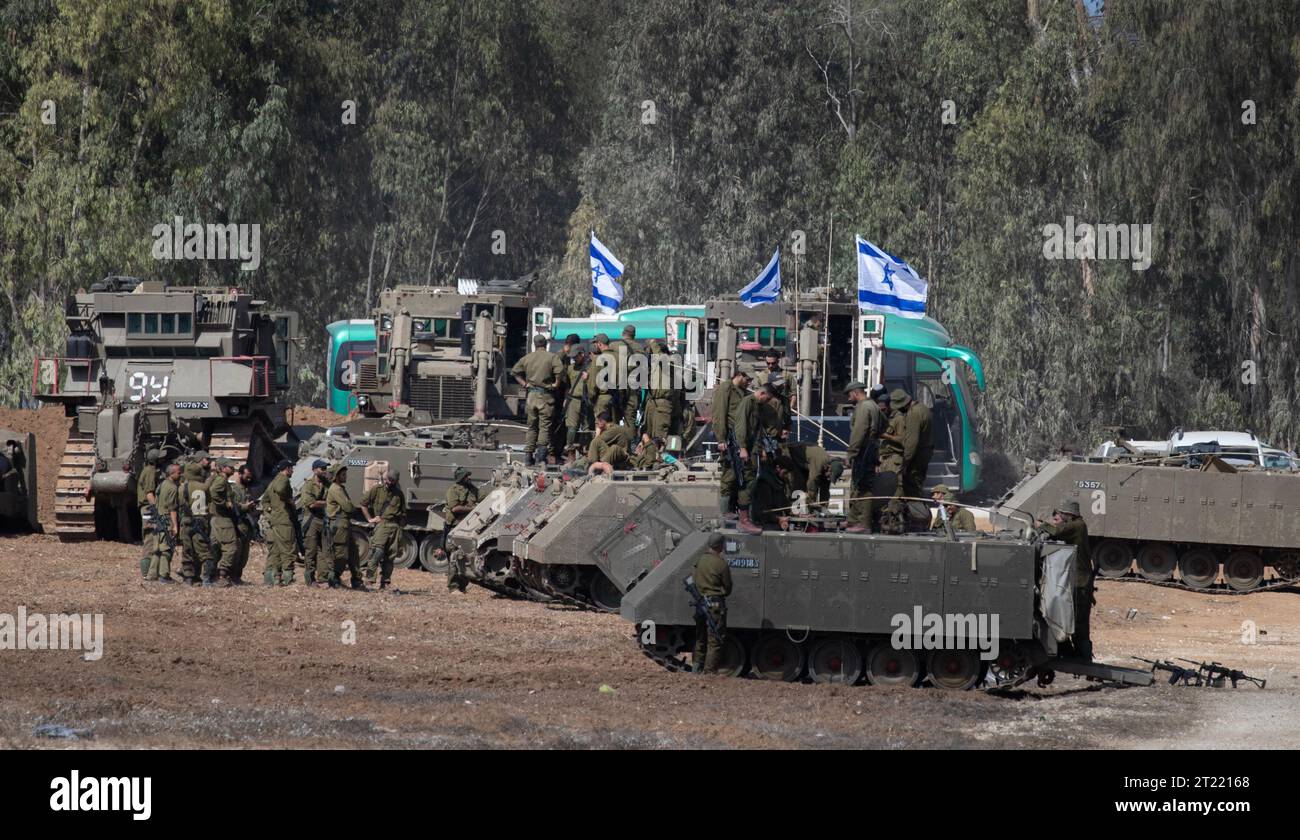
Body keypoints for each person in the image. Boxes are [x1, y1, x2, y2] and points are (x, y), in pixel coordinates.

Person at [1037, 498, 1094, 660]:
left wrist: (1041, 525)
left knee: (1079, 621)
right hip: (1078, 579)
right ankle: (1072, 653)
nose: (1060, 517)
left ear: (1069, 514)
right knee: (1071, 617)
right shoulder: (1077, 525)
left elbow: (1057, 532)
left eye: (1062, 514)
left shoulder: (1077, 526)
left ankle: (1084, 658)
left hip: (1081, 581)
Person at [732, 383, 781, 535]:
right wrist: (742, 448)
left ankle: (748, 518)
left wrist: (761, 450)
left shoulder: (758, 406)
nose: (767, 403)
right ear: (762, 394)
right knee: (747, 481)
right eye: (767, 399)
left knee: (752, 480)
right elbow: (741, 426)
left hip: (753, 449)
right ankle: (744, 520)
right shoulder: (748, 402)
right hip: (745, 449)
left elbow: (758, 430)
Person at [511, 333, 564, 464]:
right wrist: (556, 384)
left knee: (532, 427)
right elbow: (560, 371)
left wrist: (525, 384)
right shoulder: (552, 357)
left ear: (535, 345)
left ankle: (528, 457)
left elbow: (514, 372)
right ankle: (540, 458)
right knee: (544, 427)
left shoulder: (527, 358)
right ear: (545, 344)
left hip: (531, 396)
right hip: (545, 395)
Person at [711, 369, 751, 523]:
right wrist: (721, 439)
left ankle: (733, 508)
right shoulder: (726, 387)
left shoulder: (743, 392)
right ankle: (725, 510)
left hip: (739, 438)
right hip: (729, 438)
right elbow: (719, 414)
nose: (749, 383)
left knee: (739, 474)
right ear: (739, 375)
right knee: (729, 474)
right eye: (747, 379)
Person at [691, 532, 733, 674]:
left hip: (700, 605)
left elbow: (694, 581)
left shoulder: (700, 561)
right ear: (720, 546)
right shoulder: (721, 564)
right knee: (714, 641)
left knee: (700, 638)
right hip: (715, 607)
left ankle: (696, 669)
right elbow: (728, 589)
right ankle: (708, 674)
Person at [844, 382, 883, 533]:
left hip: (863, 451)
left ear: (855, 393)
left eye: (849, 394)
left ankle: (864, 523)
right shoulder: (874, 405)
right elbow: (884, 424)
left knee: (864, 487)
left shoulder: (863, 407)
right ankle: (853, 520)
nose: (848, 398)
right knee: (857, 485)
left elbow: (858, 432)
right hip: (871, 448)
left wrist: (851, 453)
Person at [360, 468, 407, 591]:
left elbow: (403, 512)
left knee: (390, 557)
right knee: (377, 553)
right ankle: (370, 580)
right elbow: (363, 504)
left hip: (395, 527)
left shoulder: (399, 494)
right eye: (389, 480)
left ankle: (385, 582)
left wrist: (401, 526)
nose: (391, 482)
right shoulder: (377, 489)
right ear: (386, 479)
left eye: (394, 481)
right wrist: (370, 519)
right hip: (382, 524)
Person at [325, 463, 366, 590]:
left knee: (353, 554)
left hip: (344, 523)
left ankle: (357, 580)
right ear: (336, 476)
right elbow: (348, 506)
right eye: (343, 474)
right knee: (341, 554)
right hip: (339, 523)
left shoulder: (340, 488)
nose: (345, 476)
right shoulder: (335, 489)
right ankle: (334, 579)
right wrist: (351, 508)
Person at [178, 451, 214, 585]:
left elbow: (179, 504)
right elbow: (209, 503)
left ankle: (188, 577)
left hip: (186, 520)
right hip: (201, 521)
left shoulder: (182, 488)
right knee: (205, 552)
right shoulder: (203, 487)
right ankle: (207, 578)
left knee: (187, 551)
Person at [444, 466, 481, 593]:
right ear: (461, 478)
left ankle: (462, 586)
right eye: (466, 476)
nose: (469, 478)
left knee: (467, 558)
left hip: (469, 528)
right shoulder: (452, 490)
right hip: (456, 527)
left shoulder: (473, 490)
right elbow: (455, 508)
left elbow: (484, 498)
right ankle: (453, 586)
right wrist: (474, 509)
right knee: (455, 557)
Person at [261, 459, 298, 586]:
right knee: (288, 549)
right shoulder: (283, 479)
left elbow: (264, 501)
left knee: (275, 552)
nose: (292, 470)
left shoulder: (272, 481)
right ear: (287, 469)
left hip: (275, 521)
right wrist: (288, 499)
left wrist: (270, 513)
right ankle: (287, 579)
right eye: (291, 468)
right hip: (284, 521)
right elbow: (280, 489)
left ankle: (270, 579)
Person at [893, 389, 933, 502]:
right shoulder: (923, 408)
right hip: (926, 452)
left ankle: (916, 511)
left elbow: (912, 443)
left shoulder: (913, 414)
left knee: (912, 486)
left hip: (917, 456)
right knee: (918, 483)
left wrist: (905, 462)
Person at [206, 458, 240, 587]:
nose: (233, 469)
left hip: (216, 518)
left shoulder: (218, 479)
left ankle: (210, 575)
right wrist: (225, 503)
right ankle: (222, 576)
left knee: (214, 547)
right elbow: (214, 492)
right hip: (222, 518)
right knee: (231, 547)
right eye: (230, 467)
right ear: (224, 468)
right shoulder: (221, 480)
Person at [298, 459, 331, 586]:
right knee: (311, 550)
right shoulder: (308, 485)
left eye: (325, 468)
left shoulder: (327, 484)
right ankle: (310, 579)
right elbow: (311, 503)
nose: (324, 471)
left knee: (324, 550)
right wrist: (327, 503)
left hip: (323, 519)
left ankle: (323, 577)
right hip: (311, 519)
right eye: (322, 468)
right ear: (314, 470)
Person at [149, 462, 182, 583]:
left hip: (158, 519)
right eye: (179, 473)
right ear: (172, 473)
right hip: (167, 520)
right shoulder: (173, 487)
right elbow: (172, 508)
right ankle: (164, 575)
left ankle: (152, 574)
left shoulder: (162, 484)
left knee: (157, 549)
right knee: (167, 549)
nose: (180, 474)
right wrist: (175, 526)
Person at [610, 325, 644, 426]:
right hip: (632, 388)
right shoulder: (639, 348)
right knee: (630, 419)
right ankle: (629, 440)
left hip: (615, 387)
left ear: (623, 333)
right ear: (634, 335)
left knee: (614, 418)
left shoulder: (613, 346)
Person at [643, 339, 677, 440]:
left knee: (659, 437)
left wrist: (653, 343)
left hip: (662, 403)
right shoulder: (655, 367)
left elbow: (663, 359)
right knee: (647, 436)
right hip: (651, 402)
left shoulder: (670, 361)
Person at [563, 344, 595, 451]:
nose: (574, 359)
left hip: (586, 400)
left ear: (582, 354)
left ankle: (586, 448)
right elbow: (567, 385)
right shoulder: (570, 368)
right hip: (573, 400)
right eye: (572, 357)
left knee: (587, 426)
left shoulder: (590, 367)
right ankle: (569, 447)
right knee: (571, 426)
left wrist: (589, 378)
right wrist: (566, 399)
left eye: (575, 356)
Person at [752, 456, 796, 530]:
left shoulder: (779, 480)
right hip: (762, 522)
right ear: (778, 468)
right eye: (785, 472)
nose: (786, 476)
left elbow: (784, 502)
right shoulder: (764, 483)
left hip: (774, 519)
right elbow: (762, 511)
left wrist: (795, 513)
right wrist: (778, 519)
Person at [230, 464, 257, 584]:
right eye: (247, 477)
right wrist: (245, 506)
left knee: (244, 555)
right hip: (238, 525)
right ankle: (231, 576)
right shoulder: (234, 490)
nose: (249, 479)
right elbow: (234, 507)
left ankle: (237, 576)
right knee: (236, 553)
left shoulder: (246, 489)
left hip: (247, 526)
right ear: (240, 474)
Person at [136, 448, 160, 578]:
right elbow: (149, 493)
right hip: (148, 508)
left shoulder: (147, 469)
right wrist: (157, 511)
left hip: (146, 508)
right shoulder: (150, 471)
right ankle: (146, 572)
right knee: (150, 538)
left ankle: (150, 571)